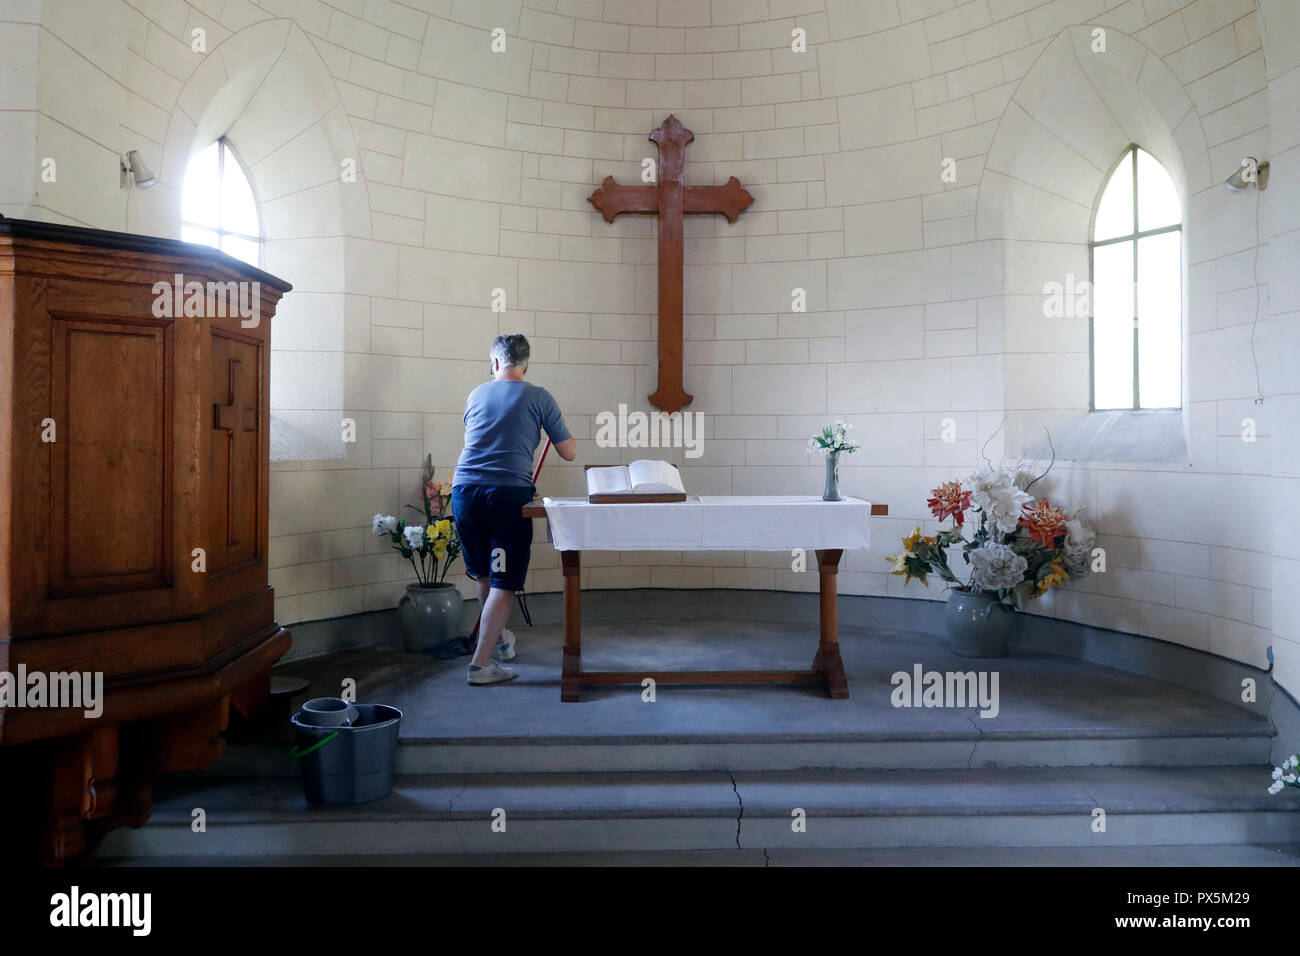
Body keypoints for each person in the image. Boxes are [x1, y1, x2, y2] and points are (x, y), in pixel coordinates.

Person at [451, 333, 577, 684]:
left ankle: (502, 638)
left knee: (484, 574)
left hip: (464, 491)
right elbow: (569, 452)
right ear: (526, 365)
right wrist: (555, 429)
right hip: (507, 497)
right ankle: (480, 664)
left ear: (494, 364)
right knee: (503, 583)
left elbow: (483, 436)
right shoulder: (539, 397)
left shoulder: (476, 394)